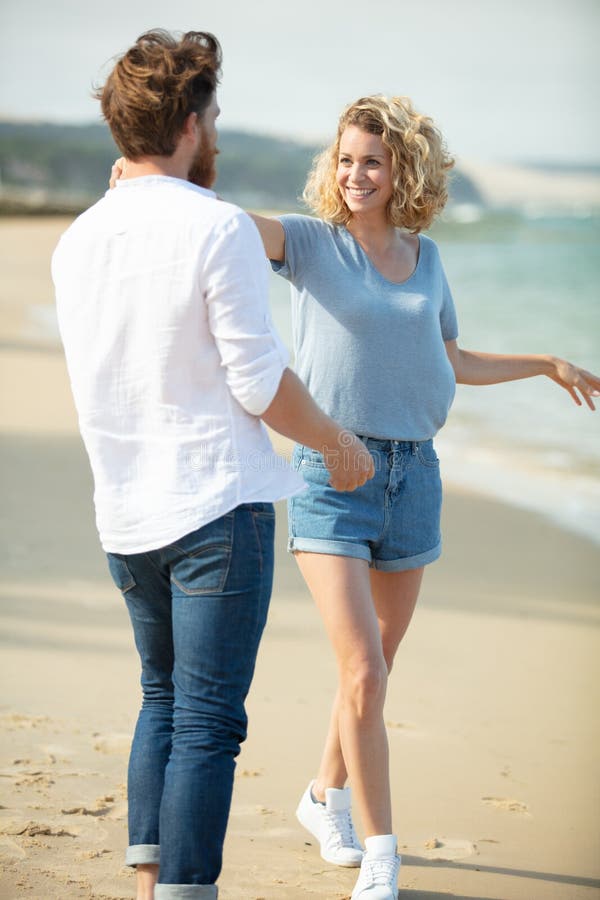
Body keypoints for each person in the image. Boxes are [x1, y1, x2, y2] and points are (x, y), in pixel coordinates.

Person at [244, 95, 600, 899]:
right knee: (364, 669)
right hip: (334, 473)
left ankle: (320, 796)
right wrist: (162, 184)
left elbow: (451, 361)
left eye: (371, 159)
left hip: (414, 479)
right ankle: (380, 853)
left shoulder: (428, 257)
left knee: (371, 669)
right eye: (344, 159)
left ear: (402, 166)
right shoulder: (309, 244)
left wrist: (546, 362)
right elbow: (236, 228)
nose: (355, 173)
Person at [52, 30, 373, 900]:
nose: (219, 129)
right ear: (190, 123)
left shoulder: (78, 239)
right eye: (216, 113)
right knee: (204, 723)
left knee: (162, 700)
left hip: (123, 515)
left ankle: (155, 875)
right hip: (213, 514)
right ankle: (185, 890)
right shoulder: (218, 226)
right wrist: (339, 445)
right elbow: (259, 380)